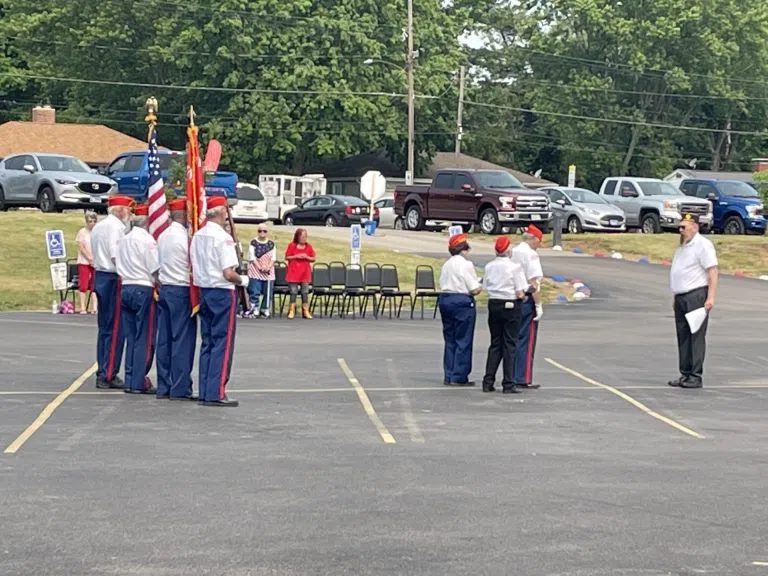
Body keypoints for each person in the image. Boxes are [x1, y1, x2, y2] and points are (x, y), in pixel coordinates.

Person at [190, 195, 249, 407]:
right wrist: (243, 280)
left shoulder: (198, 235)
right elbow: (228, 273)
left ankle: (206, 389)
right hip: (222, 292)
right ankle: (216, 391)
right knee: (222, 344)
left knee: (208, 342)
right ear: (222, 212)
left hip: (204, 290)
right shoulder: (223, 238)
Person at [668, 213, 718, 389]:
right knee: (682, 336)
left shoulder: (703, 245)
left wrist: (710, 297)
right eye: (680, 227)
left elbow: (712, 271)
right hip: (681, 297)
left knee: (695, 336)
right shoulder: (682, 247)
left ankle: (695, 376)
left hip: (696, 295)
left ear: (695, 226)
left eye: (684, 227)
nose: (680, 230)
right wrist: (675, 295)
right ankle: (685, 373)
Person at [156, 197, 197, 400]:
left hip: (165, 287)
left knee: (164, 339)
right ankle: (180, 386)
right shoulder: (185, 239)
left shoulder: (163, 236)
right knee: (181, 340)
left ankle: (164, 384)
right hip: (180, 289)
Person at [91, 195, 134, 389]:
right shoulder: (116, 228)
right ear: (121, 210)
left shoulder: (100, 225)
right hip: (113, 277)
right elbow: (117, 256)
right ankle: (108, 372)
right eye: (128, 210)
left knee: (105, 328)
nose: (130, 215)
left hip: (100, 274)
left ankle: (104, 368)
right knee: (116, 328)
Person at [116, 203, 160, 395]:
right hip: (143, 287)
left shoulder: (123, 239)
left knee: (131, 336)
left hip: (126, 285)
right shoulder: (147, 240)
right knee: (145, 336)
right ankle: (138, 380)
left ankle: (130, 376)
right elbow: (154, 267)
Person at [481, 235, 529, 394]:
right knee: (510, 344)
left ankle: (488, 381)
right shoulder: (514, 267)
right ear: (508, 250)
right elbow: (520, 291)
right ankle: (508, 382)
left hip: (494, 303)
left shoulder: (489, 266)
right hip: (510, 304)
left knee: (495, 343)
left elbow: (486, 286)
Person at [438, 233, 482, 387]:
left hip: (445, 299)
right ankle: (459, 375)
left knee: (450, 338)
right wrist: (480, 284)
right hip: (461, 301)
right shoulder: (466, 264)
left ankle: (449, 373)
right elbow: (474, 288)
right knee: (463, 339)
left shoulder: (446, 264)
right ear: (463, 249)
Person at [511, 224, 544, 390]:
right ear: (533, 239)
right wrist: (538, 305)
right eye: (539, 242)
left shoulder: (514, 251)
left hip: (514, 296)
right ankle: (522, 377)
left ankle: (511, 374)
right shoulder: (531, 255)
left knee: (514, 339)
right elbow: (534, 281)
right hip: (527, 297)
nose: (539, 246)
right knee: (526, 339)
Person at [246, 224, 276, 318]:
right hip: (255, 270)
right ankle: (254, 308)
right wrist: (259, 267)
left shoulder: (271, 244)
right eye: (260, 231)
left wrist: (268, 267)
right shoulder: (253, 242)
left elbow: (273, 258)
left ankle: (265, 309)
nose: (262, 233)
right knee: (254, 291)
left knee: (268, 292)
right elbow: (252, 257)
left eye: (264, 231)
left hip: (268, 271)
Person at [284, 228, 315, 320]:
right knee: (293, 291)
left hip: (305, 272)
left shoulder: (308, 246)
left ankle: (305, 310)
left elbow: (313, 258)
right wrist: (296, 256)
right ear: (297, 237)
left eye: (305, 237)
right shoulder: (292, 245)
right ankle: (292, 310)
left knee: (305, 291)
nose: (304, 238)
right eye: (302, 237)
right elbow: (287, 257)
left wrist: (307, 257)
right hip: (294, 271)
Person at [75, 211, 98, 314]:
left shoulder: (97, 232)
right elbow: (81, 246)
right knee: (83, 284)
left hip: (96, 261)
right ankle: (83, 307)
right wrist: (89, 257)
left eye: (94, 221)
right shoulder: (82, 232)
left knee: (95, 284)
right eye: (90, 221)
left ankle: (94, 307)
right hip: (84, 261)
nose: (92, 223)